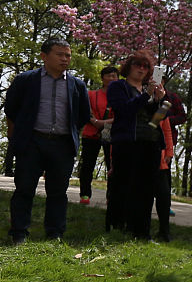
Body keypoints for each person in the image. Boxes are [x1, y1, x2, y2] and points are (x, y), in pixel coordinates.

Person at [3, 38, 90, 244]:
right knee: (24, 189)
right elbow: (11, 110)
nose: (65, 59)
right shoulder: (26, 80)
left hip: (62, 144)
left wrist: (69, 133)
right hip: (32, 142)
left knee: (58, 192)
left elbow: (83, 115)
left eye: (68, 55)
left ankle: (55, 234)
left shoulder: (76, 85)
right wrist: (15, 136)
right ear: (44, 56)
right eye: (59, 54)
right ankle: (19, 233)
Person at [106, 50, 169, 239]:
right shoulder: (118, 86)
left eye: (146, 66)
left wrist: (159, 101)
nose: (141, 69)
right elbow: (124, 110)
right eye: (137, 65)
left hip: (150, 144)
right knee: (123, 186)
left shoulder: (148, 91)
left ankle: (142, 231)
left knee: (146, 190)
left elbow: (158, 120)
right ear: (128, 67)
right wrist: (146, 95)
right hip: (126, 142)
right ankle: (118, 226)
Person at [78, 65, 118, 205]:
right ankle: (85, 195)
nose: (112, 78)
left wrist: (103, 123)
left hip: (111, 134)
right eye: (109, 75)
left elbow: (121, 116)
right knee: (87, 165)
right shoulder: (91, 94)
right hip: (91, 133)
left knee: (112, 166)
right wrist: (94, 121)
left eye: (114, 76)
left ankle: (111, 196)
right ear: (102, 78)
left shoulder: (120, 97)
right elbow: (84, 109)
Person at [155, 111, 175, 241]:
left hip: (160, 160)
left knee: (164, 194)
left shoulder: (162, 107)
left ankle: (164, 232)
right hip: (140, 156)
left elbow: (167, 130)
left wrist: (169, 151)